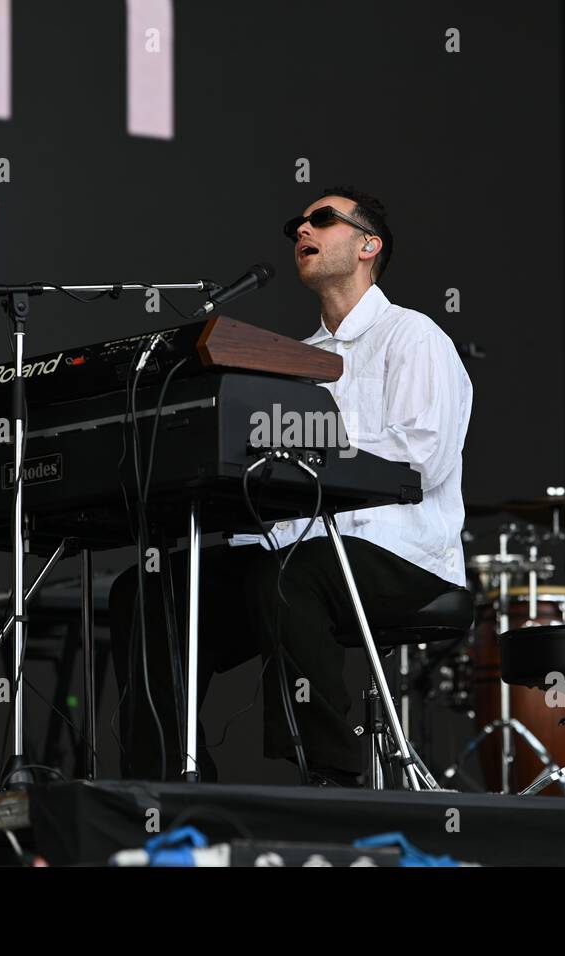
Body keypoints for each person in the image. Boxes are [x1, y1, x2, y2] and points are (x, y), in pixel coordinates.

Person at [109, 186, 473, 785]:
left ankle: (329, 775)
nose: (302, 230)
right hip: (295, 555)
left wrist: (308, 455)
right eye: (296, 224)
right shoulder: (293, 360)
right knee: (148, 588)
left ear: (367, 245)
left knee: (292, 573)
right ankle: (168, 779)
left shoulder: (414, 337)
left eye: (322, 220)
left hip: (405, 556)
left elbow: (421, 460)